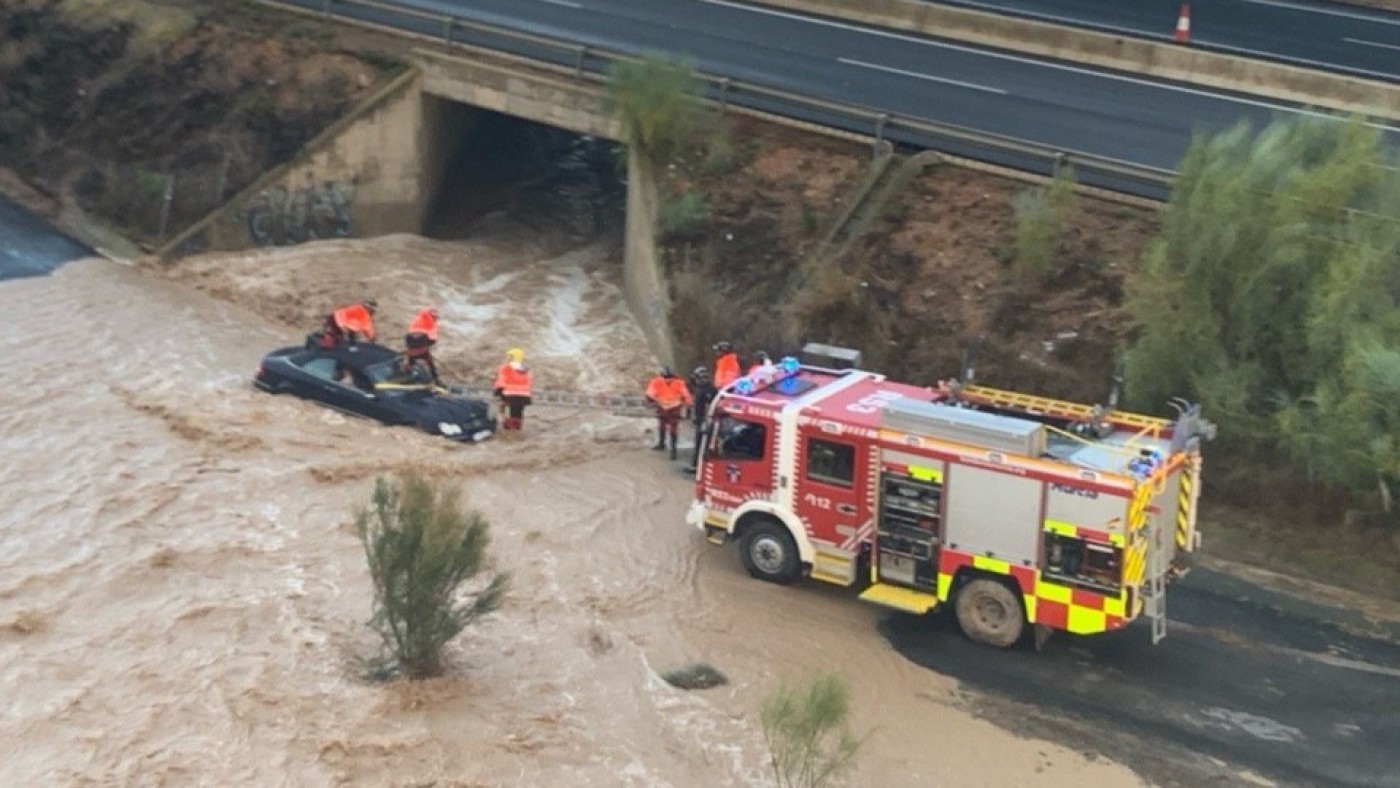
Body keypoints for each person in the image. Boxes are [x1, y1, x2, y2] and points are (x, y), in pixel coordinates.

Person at [646, 366, 693, 460]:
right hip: (674, 407)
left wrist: (652, 401)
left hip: (663, 407)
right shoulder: (679, 382)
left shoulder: (657, 381)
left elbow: (649, 394)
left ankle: (662, 444)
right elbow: (686, 395)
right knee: (673, 429)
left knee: (662, 426)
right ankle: (673, 450)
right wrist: (689, 406)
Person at [685, 365, 718, 473]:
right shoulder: (700, 388)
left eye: (697, 378)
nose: (696, 380)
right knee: (698, 443)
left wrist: (705, 421)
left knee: (702, 444)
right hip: (700, 420)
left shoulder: (709, 390)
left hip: (705, 421)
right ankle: (696, 465)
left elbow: (708, 407)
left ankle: (699, 467)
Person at [493, 347, 533, 432]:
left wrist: (497, 393)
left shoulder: (505, 368)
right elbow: (529, 383)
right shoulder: (526, 370)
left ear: (512, 357)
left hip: (509, 395)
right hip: (524, 396)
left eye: (509, 356)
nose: (507, 357)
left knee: (508, 415)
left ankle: (510, 432)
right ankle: (517, 430)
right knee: (518, 414)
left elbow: (501, 381)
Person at [403, 307, 440, 383]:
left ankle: (408, 374)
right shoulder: (430, 324)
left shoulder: (418, 319)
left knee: (411, 358)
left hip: (410, 342)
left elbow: (408, 335)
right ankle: (435, 379)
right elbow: (433, 340)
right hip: (421, 344)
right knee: (429, 362)